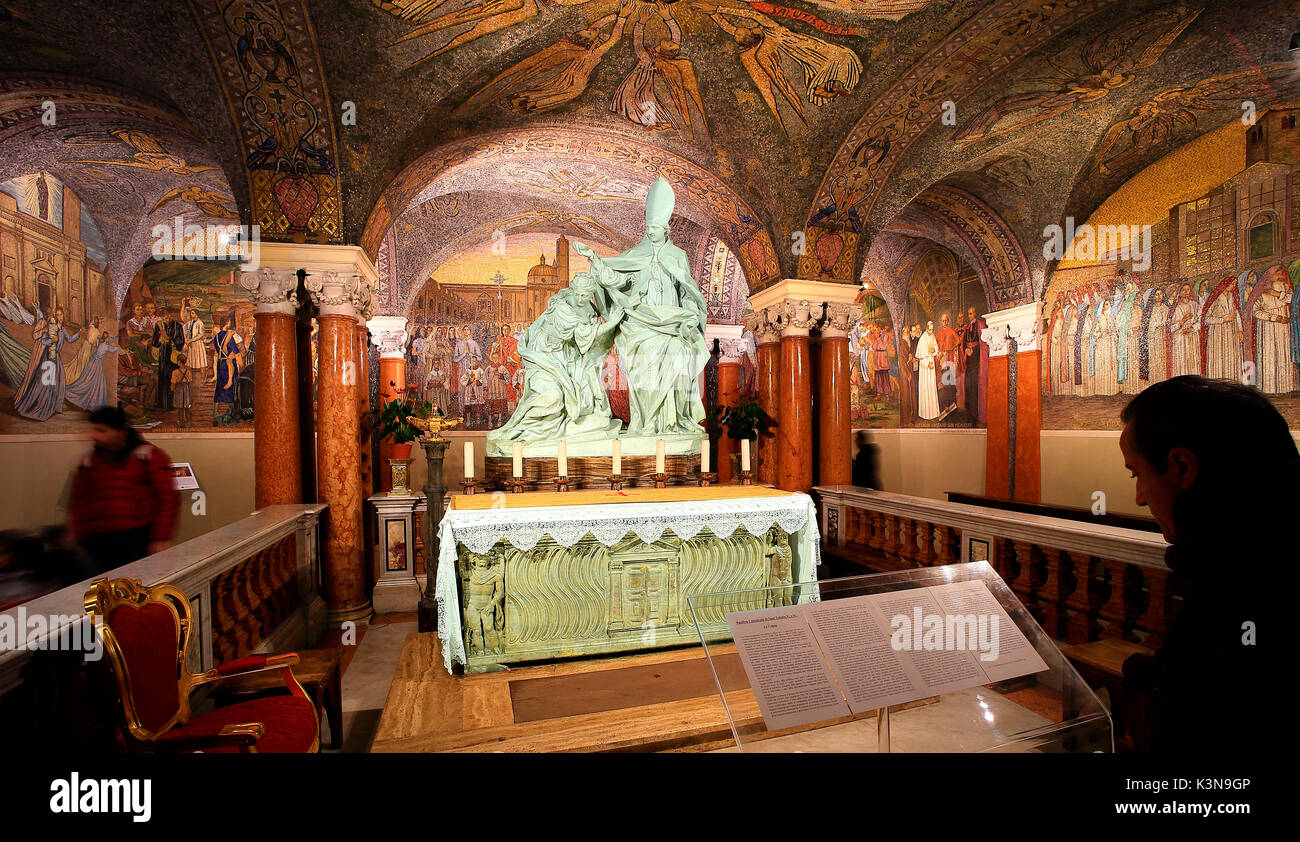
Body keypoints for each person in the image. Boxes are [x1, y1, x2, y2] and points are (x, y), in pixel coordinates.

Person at [1118, 376, 1294, 753]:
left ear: (1181, 467)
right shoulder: (1249, 555)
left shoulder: (1238, 584)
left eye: (1137, 475)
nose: (1139, 499)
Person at [66, 405, 179, 574]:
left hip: (136, 537)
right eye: (94, 430)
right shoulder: (90, 460)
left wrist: (161, 536)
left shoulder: (147, 455)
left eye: (101, 430)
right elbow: (79, 500)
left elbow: (167, 498)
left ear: (120, 432)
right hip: (98, 539)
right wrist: (76, 532)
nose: (94, 436)